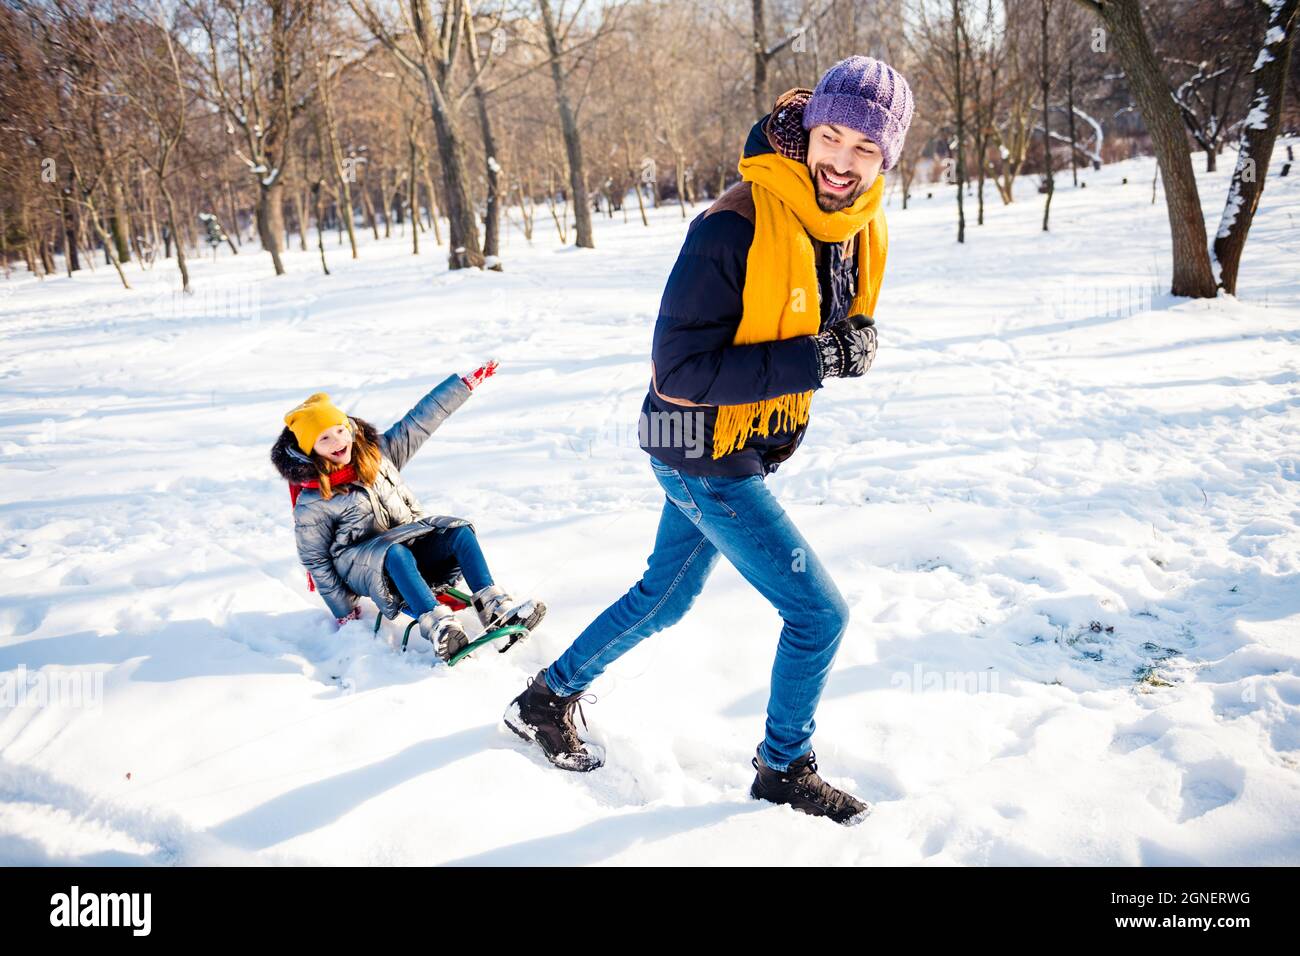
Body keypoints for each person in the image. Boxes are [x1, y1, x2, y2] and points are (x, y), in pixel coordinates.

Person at [502, 56, 914, 824]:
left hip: (738, 446)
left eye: (867, 148)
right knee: (818, 616)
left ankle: (544, 699)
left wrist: (849, 341)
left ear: (886, 157)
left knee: (665, 597)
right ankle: (784, 769)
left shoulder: (852, 227)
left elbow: (814, 319)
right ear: (806, 129)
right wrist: (820, 358)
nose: (844, 162)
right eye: (833, 137)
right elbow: (680, 369)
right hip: (700, 450)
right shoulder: (734, 225)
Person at [270, 361, 545, 661]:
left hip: (407, 545)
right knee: (393, 552)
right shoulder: (312, 500)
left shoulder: (378, 455)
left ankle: (494, 606)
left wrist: (462, 386)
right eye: (325, 438)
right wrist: (344, 612)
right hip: (361, 567)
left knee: (458, 531)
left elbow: (420, 421)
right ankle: (438, 626)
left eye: (340, 430)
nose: (338, 441)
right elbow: (316, 560)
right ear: (310, 449)